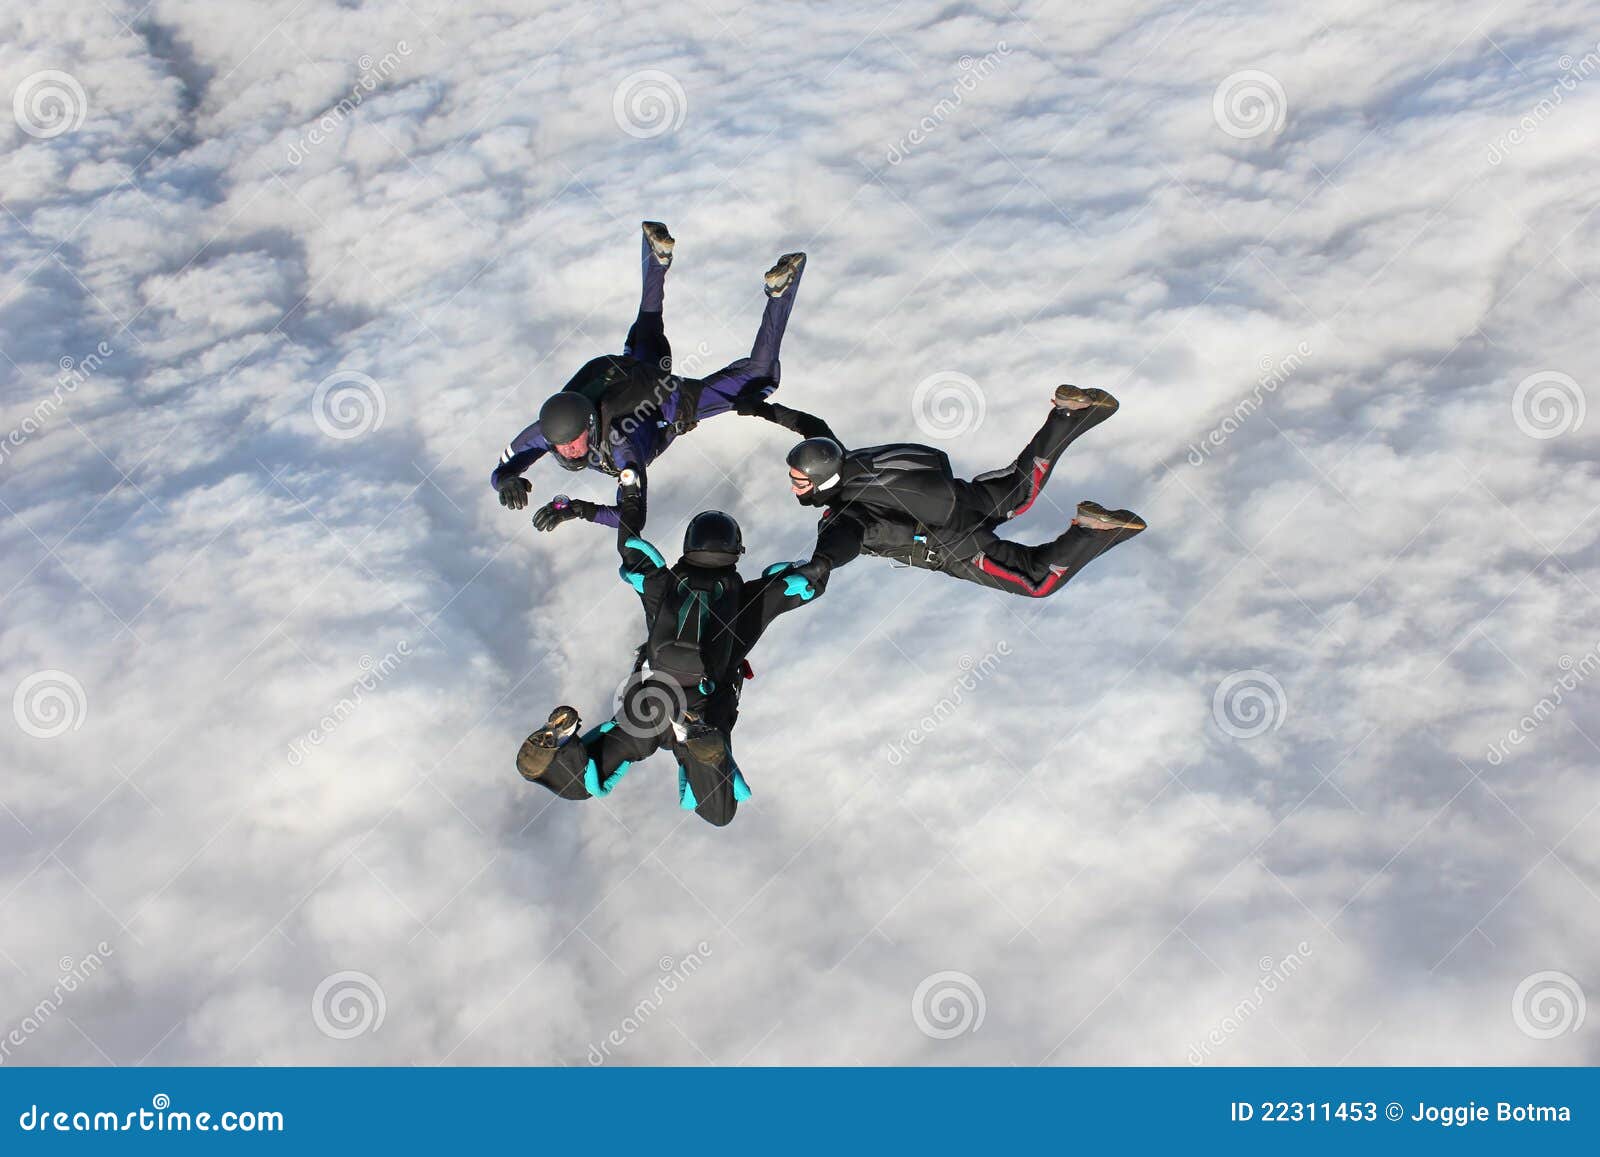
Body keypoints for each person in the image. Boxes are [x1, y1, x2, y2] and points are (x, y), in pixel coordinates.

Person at [515, 471, 827, 827]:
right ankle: (701, 750)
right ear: (735, 551)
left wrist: (616, 496)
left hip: (651, 700)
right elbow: (807, 584)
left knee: (586, 778)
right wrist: (830, 546)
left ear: (688, 546)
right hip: (701, 709)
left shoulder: (660, 582)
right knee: (719, 811)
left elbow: (629, 546)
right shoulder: (749, 599)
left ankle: (559, 744)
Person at [491, 221, 806, 532]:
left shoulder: (621, 448)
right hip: (629, 373)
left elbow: (631, 520)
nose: (571, 450)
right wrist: (506, 480)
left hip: (666, 401)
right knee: (648, 328)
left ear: (589, 425)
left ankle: (780, 293)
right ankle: (655, 257)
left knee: (760, 377)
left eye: (574, 441)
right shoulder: (548, 431)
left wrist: (580, 510)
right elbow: (503, 467)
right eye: (561, 446)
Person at [740, 383, 1145, 598]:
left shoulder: (842, 515)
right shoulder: (840, 457)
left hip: (957, 546)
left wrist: (820, 565)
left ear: (824, 479)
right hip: (961, 497)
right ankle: (1071, 414)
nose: (794, 486)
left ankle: (1092, 529)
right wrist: (761, 409)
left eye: (800, 479)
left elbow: (843, 540)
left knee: (1037, 580)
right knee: (1020, 489)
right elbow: (811, 424)